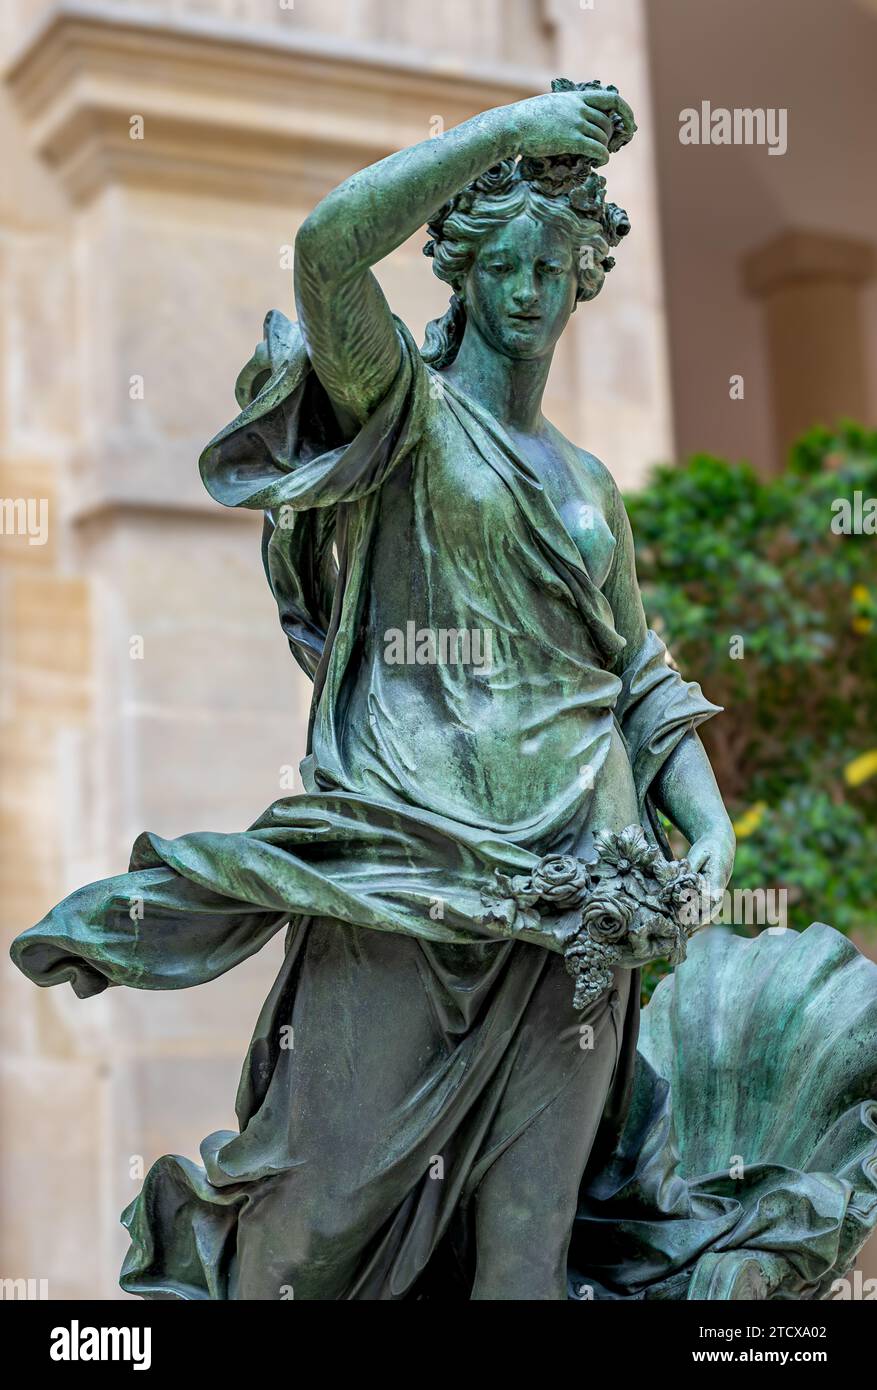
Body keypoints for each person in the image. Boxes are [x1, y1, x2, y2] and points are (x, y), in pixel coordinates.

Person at [11, 82, 735, 1300]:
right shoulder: (402, 413)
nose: (527, 291)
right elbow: (326, 251)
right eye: (502, 264)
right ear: (457, 269)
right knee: (305, 1225)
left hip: (583, 891)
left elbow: (639, 681)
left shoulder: (590, 487)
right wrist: (505, 134)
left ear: (581, 280)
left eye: (552, 267)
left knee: (524, 1255)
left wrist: (707, 826)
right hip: (411, 872)